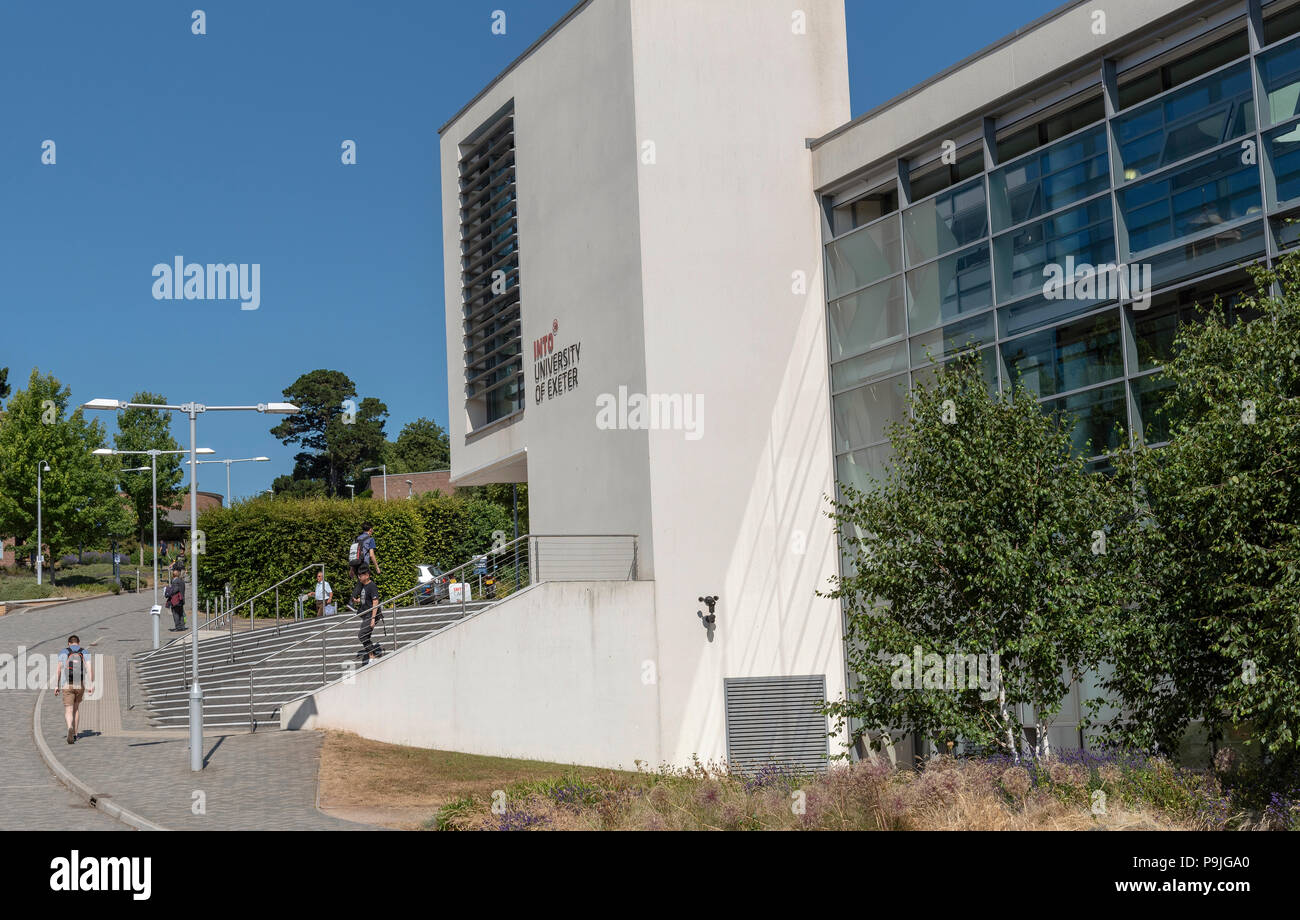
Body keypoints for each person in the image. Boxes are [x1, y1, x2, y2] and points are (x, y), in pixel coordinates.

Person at [55, 635, 94, 744]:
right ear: (79, 642)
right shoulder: (84, 652)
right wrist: (91, 684)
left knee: (68, 709)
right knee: (76, 709)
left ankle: (69, 728)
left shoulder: (63, 652)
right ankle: (76, 734)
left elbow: (58, 670)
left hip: (67, 684)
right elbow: (89, 669)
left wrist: (56, 685)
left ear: (68, 643)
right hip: (79, 684)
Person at [351, 566, 384, 662]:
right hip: (367, 614)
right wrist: (357, 601)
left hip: (372, 614)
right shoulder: (363, 586)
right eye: (358, 575)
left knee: (362, 635)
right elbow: (365, 599)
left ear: (367, 575)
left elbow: (375, 602)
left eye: (360, 575)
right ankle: (371, 655)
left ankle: (372, 656)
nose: (359, 577)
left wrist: (373, 619)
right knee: (365, 636)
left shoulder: (372, 586)